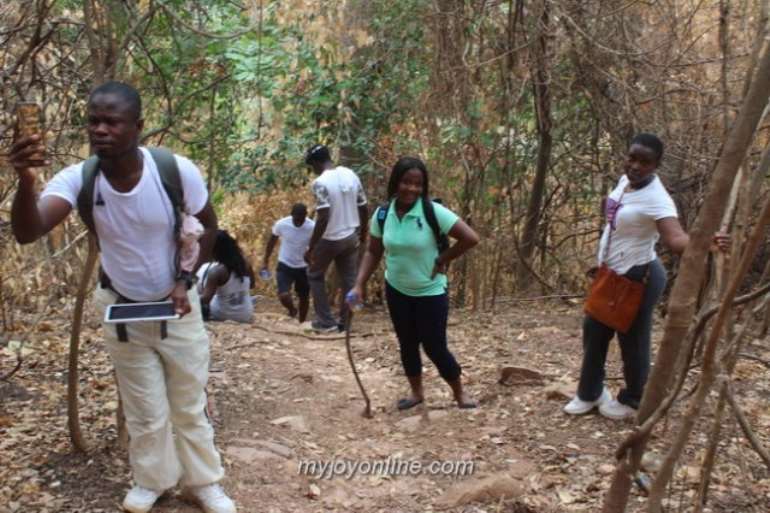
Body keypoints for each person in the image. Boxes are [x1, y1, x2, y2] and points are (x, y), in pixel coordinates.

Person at [9, 82, 236, 513]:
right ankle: (154, 480)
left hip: (177, 305)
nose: (101, 129)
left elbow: (210, 226)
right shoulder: (80, 179)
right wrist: (25, 180)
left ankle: (203, 483)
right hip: (122, 306)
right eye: (94, 121)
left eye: (112, 121)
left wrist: (184, 279)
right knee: (144, 406)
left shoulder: (173, 170)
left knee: (188, 403)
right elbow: (27, 231)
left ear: (138, 127)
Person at [563, 133, 730, 420]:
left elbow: (675, 239)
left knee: (633, 340)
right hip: (611, 275)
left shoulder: (658, 199)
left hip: (639, 277)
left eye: (644, 161)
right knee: (594, 329)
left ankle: (634, 399)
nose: (635, 165)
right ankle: (590, 393)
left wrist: (705, 243)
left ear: (656, 165)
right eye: (632, 158)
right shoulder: (625, 182)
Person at [348, 156, 480, 410]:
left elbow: (470, 238)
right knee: (407, 344)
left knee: (435, 347)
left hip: (430, 292)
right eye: (406, 182)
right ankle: (417, 393)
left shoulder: (432, 212)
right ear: (396, 182)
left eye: (418, 184)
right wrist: (359, 284)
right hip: (396, 290)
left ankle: (459, 393)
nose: (412, 189)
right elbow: (373, 252)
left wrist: (443, 258)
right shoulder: (383, 213)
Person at [304, 144, 368, 332]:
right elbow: (363, 206)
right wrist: (363, 232)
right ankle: (346, 322)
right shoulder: (350, 174)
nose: (313, 171)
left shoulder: (320, 183)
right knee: (349, 279)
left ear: (315, 163)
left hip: (330, 238)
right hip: (351, 236)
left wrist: (312, 246)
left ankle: (326, 322)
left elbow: (323, 216)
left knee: (315, 275)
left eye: (312, 167)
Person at [261, 203, 314, 322]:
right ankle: (292, 310)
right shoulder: (282, 224)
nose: (299, 222)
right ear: (292, 215)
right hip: (285, 264)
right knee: (283, 295)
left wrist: (312, 257)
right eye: (297, 218)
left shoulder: (312, 227)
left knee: (304, 297)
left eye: (302, 218)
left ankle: (301, 322)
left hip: (303, 266)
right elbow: (271, 242)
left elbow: (317, 244)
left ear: (306, 215)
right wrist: (265, 261)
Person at [200, 230, 255, 323]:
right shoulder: (246, 264)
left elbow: (205, 299)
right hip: (246, 314)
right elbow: (252, 285)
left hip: (222, 314)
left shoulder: (216, 271)